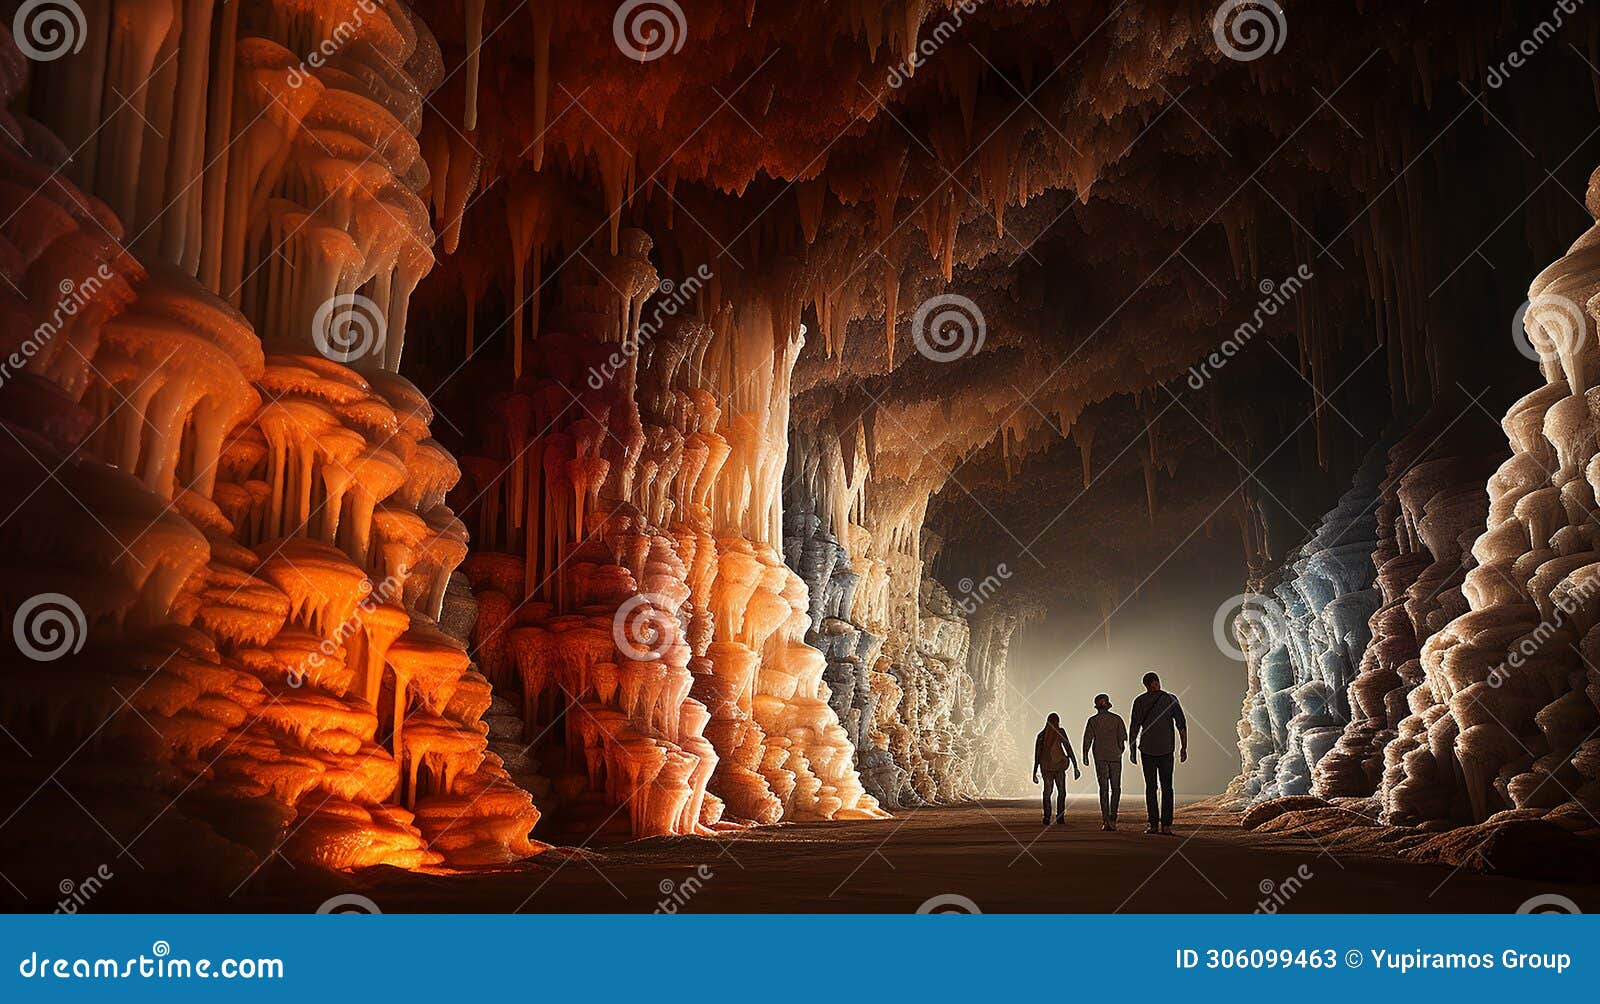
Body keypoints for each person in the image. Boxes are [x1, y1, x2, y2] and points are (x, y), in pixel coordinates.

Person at [1127, 672, 1186, 835]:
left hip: (1148, 750)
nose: (1155, 685)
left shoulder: (1140, 701)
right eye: (1154, 682)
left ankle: (1154, 825)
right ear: (1154, 683)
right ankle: (1165, 825)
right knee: (1166, 788)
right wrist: (1183, 746)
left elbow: (1134, 726)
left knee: (1152, 788)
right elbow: (1181, 724)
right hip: (1164, 750)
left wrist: (1132, 748)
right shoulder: (1170, 698)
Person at [1081, 694, 1127, 831]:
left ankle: (1105, 819)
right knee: (1116, 788)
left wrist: (1085, 755)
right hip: (1115, 758)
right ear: (1108, 705)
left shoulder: (1092, 721)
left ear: (1097, 707)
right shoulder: (1117, 719)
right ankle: (1113, 817)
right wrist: (1118, 751)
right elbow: (1123, 739)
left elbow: (1087, 739)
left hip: (1100, 757)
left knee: (1104, 789)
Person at [1032, 713, 1080, 826]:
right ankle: (1060, 817)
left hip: (1047, 768)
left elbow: (1037, 755)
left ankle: (1047, 817)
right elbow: (1068, 748)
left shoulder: (1042, 735)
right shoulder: (1060, 732)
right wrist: (1075, 765)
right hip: (1059, 767)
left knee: (1048, 792)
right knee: (1061, 791)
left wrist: (1034, 771)